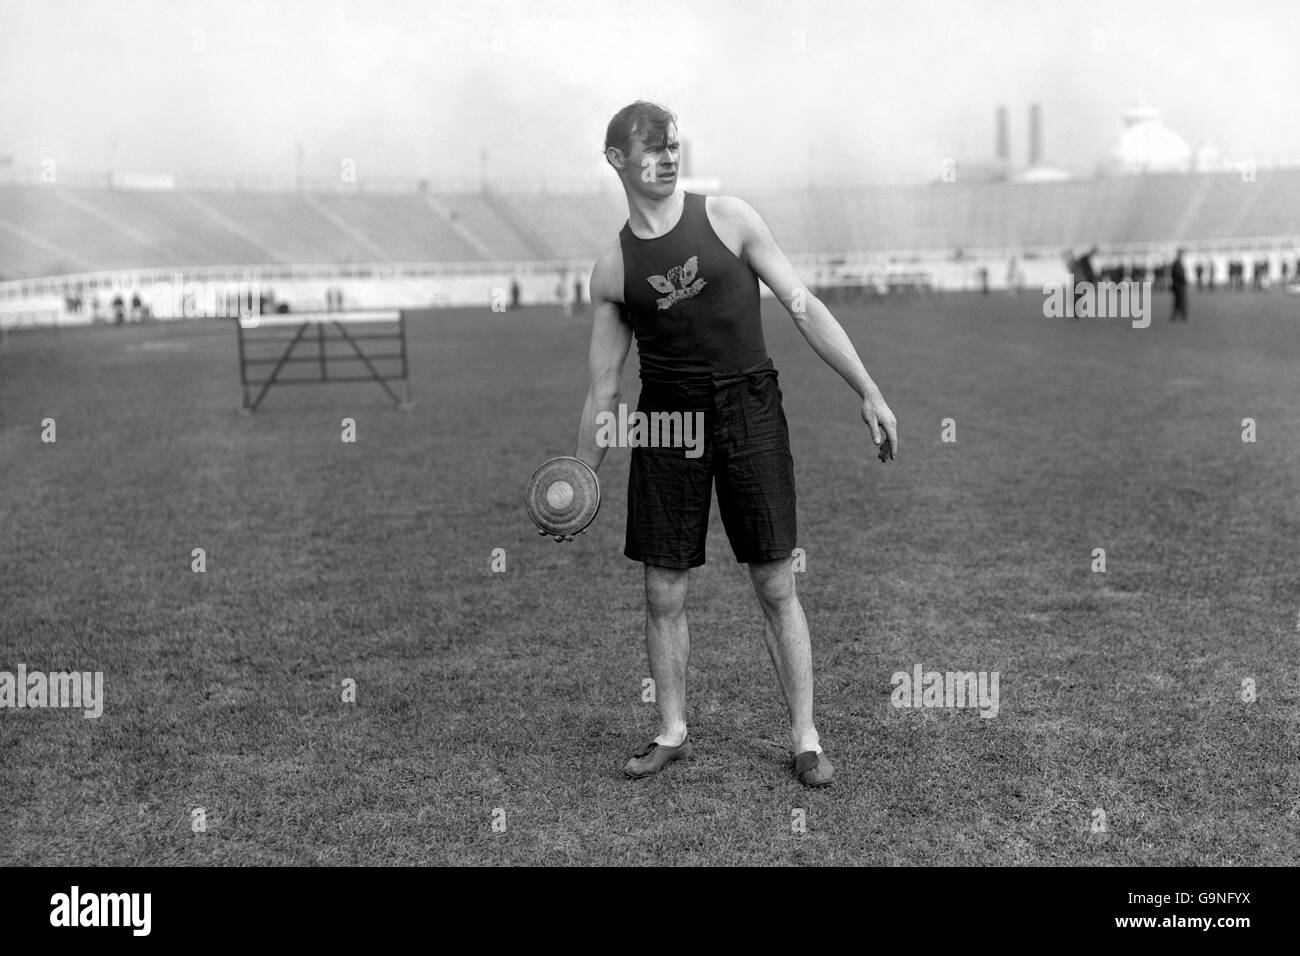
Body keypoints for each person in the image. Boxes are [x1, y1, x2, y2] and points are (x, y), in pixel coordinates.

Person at [572, 101, 898, 789]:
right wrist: (581, 476)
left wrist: (866, 388)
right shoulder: (612, 269)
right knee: (663, 588)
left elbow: (802, 303)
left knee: (776, 580)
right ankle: (671, 732)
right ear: (616, 161)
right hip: (668, 423)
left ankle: (806, 739)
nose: (666, 156)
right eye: (650, 148)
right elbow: (603, 389)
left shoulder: (729, 218)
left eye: (673, 145)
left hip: (749, 407)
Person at [1170, 249, 1188, 321]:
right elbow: (1179, 275)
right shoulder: (1177, 263)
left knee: (1178, 301)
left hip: (1178, 285)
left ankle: (1176, 316)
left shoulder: (1177, 263)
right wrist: (1184, 281)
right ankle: (1183, 316)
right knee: (1181, 300)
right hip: (1179, 285)